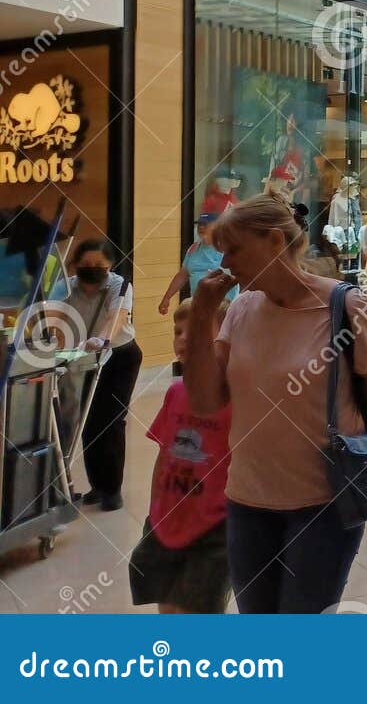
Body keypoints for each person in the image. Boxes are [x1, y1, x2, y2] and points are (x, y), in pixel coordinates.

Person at [183, 194, 367, 613]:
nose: (226, 263)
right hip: (247, 502)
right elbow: (205, 401)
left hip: (325, 506)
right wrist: (201, 316)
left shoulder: (346, 307)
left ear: (275, 241)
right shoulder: (241, 309)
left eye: (235, 249)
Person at [129, 299, 232, 614]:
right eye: (177, 331)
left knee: (199, 611)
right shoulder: (175, 393)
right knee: (167, 605)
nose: (184, 339)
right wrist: (154, 510)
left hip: (214, 529)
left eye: (197, 331)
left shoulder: (237, 400)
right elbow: (164, 455)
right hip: (167, 521)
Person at [51, 241, 142, 512]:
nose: (91, 269)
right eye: (85, 265)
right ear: (75, 265)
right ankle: (97, 486)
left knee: (110, 420)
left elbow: (117, 317)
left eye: (98, 265)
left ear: (110, 265)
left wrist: (102, 340)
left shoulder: (120, 285)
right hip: (84, 358)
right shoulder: (65, 286)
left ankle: (112, 490)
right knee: (88, 421)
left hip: (119, 356)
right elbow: (51, 316)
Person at [158, 213, 236, 314]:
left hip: (223, 309)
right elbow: (183, 275)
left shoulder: (227, 248)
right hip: (198, 307)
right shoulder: (193, 249)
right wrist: (167, 297)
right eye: (199, 224)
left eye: (205, 224)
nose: (201, 227)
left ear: (217, 227)